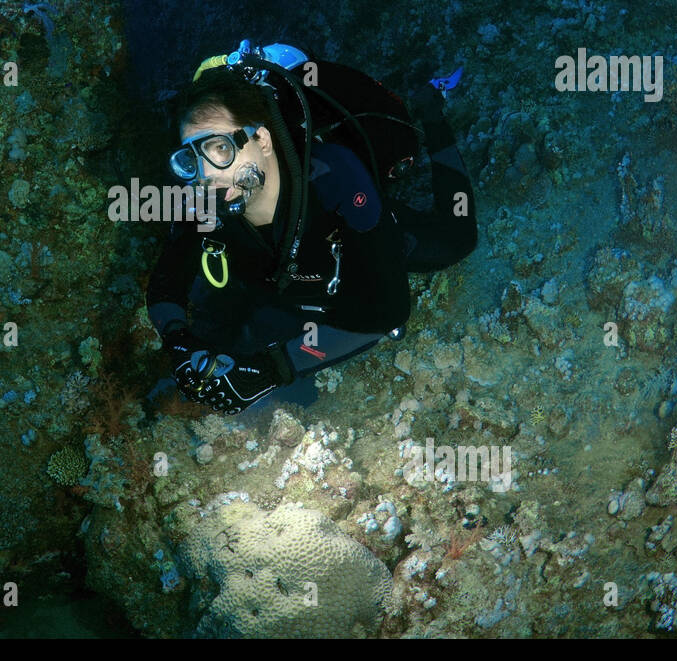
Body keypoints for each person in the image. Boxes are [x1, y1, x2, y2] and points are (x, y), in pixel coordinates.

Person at [146, 45, 477, 415]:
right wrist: (178, 342)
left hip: (345, 244)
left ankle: (432, 112)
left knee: (457, 240)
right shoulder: (204, 201)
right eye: (190, 159)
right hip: (286, 284)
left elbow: (390, 309)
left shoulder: (334, 177)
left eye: (220, 148)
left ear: (263, 140)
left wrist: (273, 371)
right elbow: (166, 280)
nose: (206, 173)